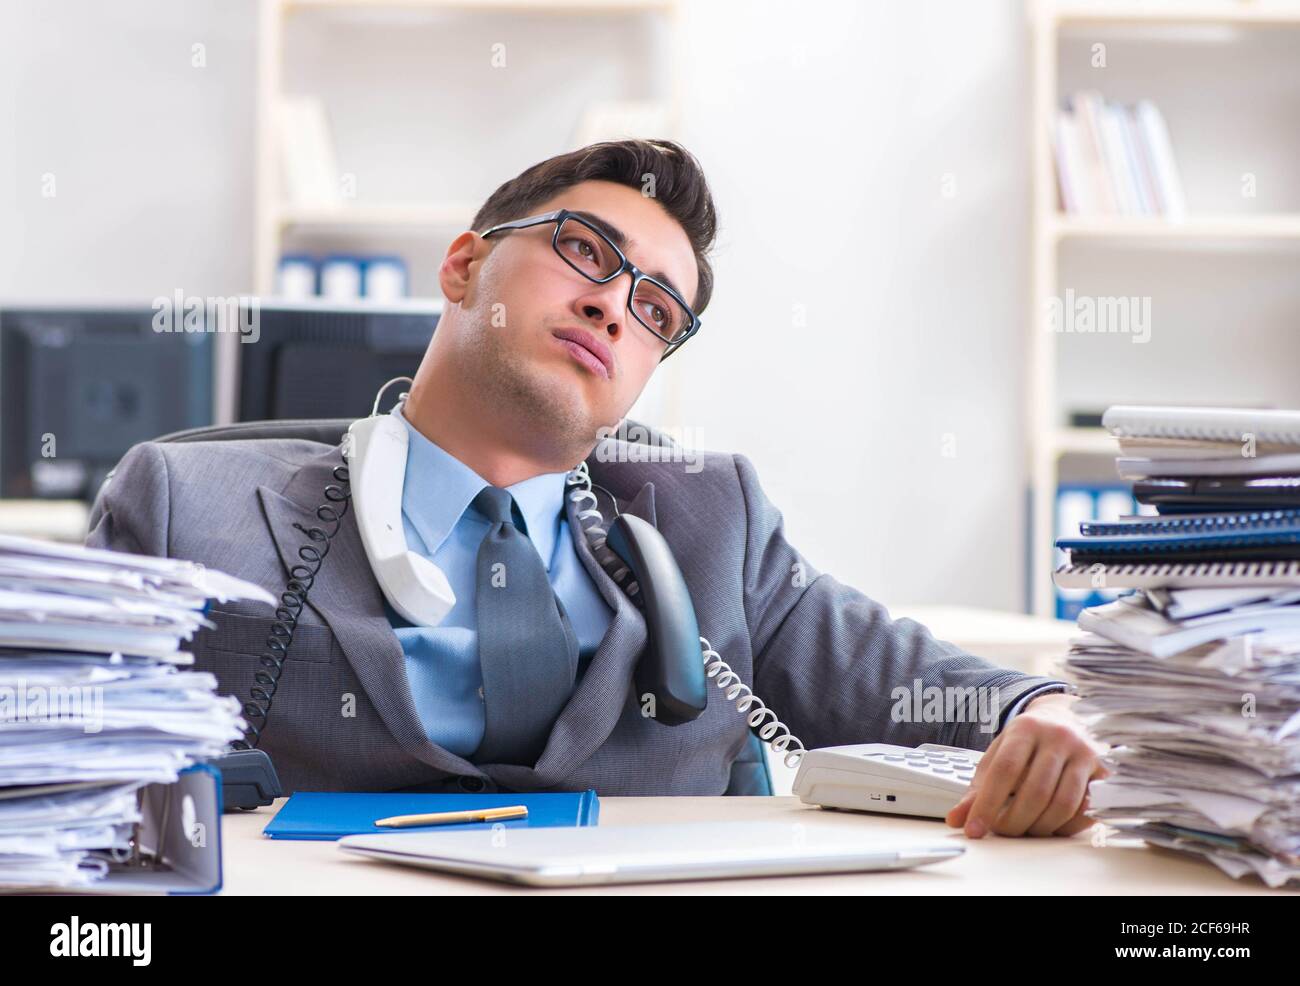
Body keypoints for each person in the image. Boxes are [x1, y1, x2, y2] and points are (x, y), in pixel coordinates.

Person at [87, 138, 1103, 837]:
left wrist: (1046, 712)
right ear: (462, 267)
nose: (612, 305)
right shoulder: (188, 504)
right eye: (585, 251)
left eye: (655, 305)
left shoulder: (707, 518)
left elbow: (921, 681)